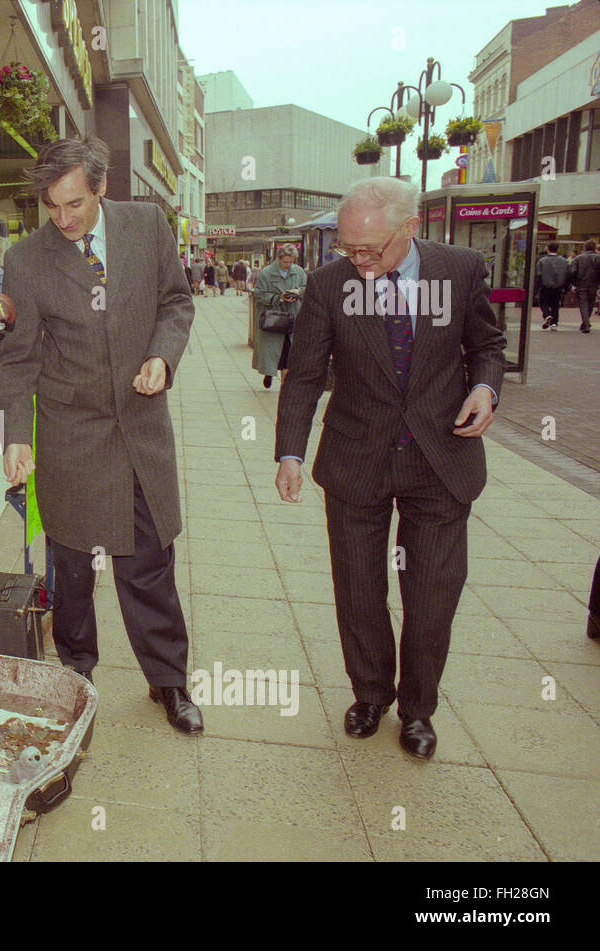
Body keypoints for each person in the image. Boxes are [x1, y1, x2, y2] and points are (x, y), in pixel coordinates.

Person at [274, 176, 506, 761]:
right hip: (357, 459)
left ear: (411, 227)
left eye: (370, 250)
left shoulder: (460, 270)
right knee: (358, 588)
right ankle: (370, 694)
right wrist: (290, 453)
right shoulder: (329, 285)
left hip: (441, 459)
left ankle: (418, 708)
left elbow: (487, 344)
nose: (358, 260)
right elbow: (304, 374)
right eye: (349, 248)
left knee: (431, 595)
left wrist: (483, 387)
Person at [0, 135, 202, 734]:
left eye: (75, 204)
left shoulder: (148, 226)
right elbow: (15, 358)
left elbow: (176, 303)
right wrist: (15, 434)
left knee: (149, 565)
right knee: (74, 571)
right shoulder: (26, 260)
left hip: (139, 431)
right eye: (52, 206)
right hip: (71, 435)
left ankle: (170, 682)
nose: (63, 218)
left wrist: (164, 356)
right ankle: (76, 677)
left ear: (102, 186)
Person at [252, 244, 305, 389]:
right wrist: (279, 297)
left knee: (288, 349)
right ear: (278, 259)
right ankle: (268, 373)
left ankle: (285, 384)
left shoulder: (299, 272)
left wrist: (298, 292)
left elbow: (307, 288)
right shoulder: (266, 273)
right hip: (273, 318)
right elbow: (259, 294)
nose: (288, 265)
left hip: (291, 317)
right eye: (285, 262)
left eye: (291, 262)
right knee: (273, 350)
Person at [566, 239, 598, 333]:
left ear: (585, 247)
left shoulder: (578, 258)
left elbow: (572, 272)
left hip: (581, 284)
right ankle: (586, 322)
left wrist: (574, 283)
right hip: (594, 284)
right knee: (591, 303)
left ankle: (586, 323)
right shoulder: (598, 258)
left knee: (583, 304)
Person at [535, 241, 568, 330]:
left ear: (548, 248)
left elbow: (538, 275)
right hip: (558, 287)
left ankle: (547, 315)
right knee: (555, 305)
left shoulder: (542, 261)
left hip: (545, 286)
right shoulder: (564, 261)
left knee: (543, 302)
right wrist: (565, 287)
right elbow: (567, 275)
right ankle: (554, 323)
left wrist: (536, 287)